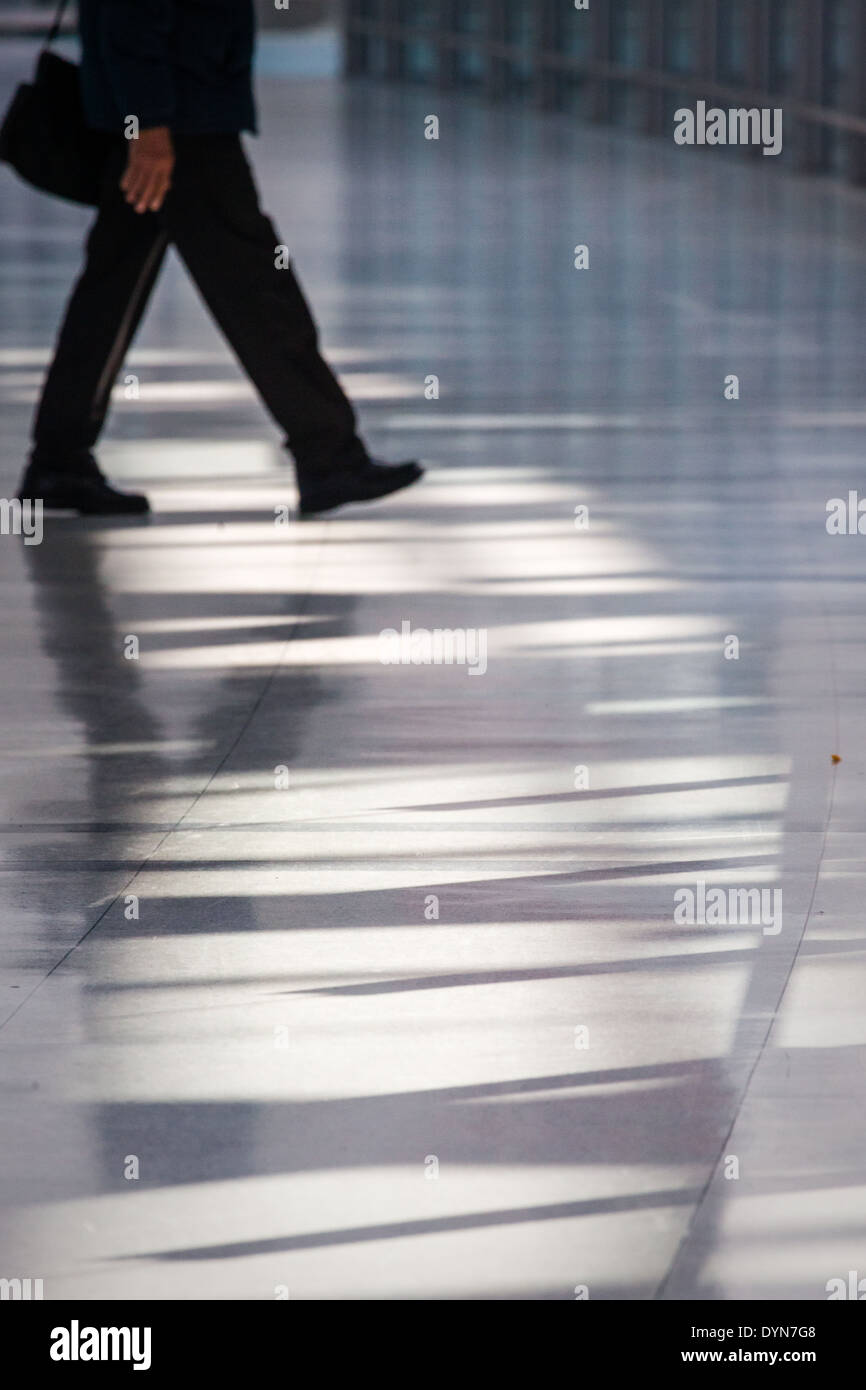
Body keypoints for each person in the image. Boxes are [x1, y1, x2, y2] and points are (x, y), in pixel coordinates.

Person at [17, 0, 423, 517]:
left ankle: (58, 458)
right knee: (254, 279)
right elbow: (131, 14)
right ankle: (328, 453)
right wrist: (151, 125)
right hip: (182, 118)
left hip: (173, 105)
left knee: (112, 287)